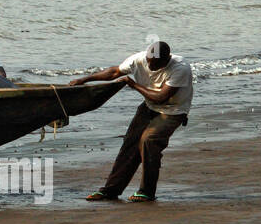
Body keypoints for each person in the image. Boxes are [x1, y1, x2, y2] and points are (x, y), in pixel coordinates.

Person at [69, 40, 193, 203]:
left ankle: (147, 192)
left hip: (173, 111)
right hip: (149, 106)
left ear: (167, 58)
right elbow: (114, 72)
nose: (151, 67)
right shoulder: (138, 60)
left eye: (156, 64)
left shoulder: (180, 68)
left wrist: (132, 84)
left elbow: (161, 98)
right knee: (130, 144)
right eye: (149, 62)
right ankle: (110, 190)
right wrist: (84, 80)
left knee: (149, 141)